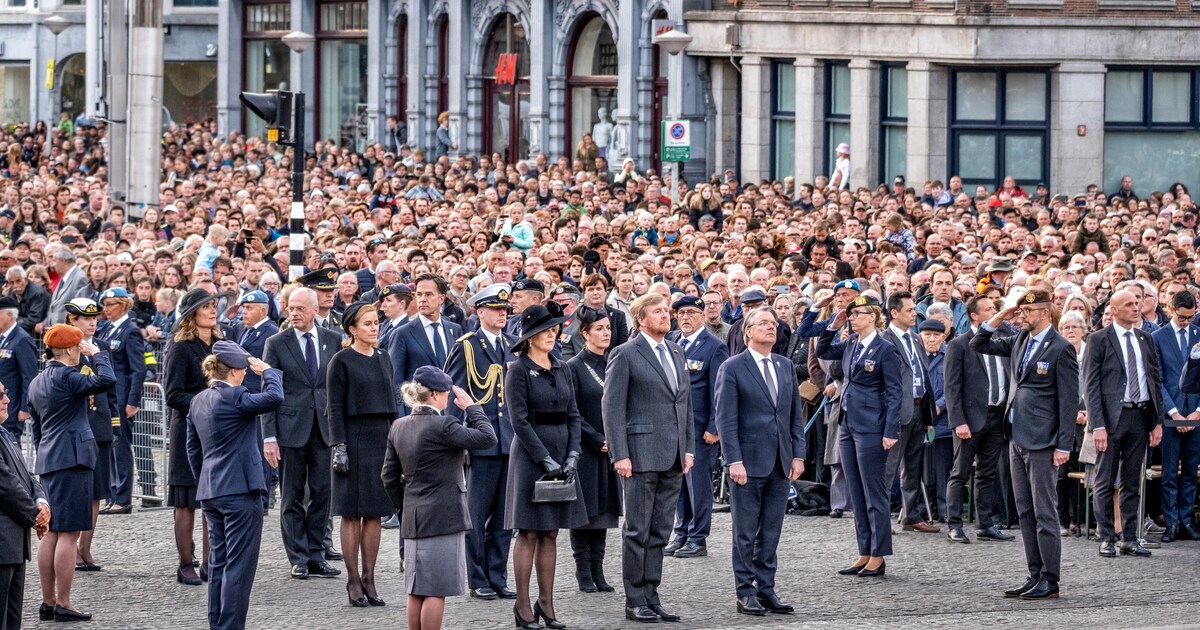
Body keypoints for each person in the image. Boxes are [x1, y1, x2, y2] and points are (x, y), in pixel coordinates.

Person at [971, 289, 1079, 600]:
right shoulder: (1020, 340)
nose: (1022, 316)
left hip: (1043, 440)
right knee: (1025, 511)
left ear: (1045, 312)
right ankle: (1034, 574)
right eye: (1021, 312)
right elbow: (979, 343)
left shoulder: (1061, 348)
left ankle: (1051, 579)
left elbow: (1069, 401)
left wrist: (1063, 445)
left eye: (1027, 312)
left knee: (1045, 512)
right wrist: (1001, 316)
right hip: (1016, 436)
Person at [381, 368, 498, 630]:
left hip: (413, 515)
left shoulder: (398, 426)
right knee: (435, 589)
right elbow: (488, 438)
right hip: (444, 516)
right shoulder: (443, 425)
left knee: (416, 588)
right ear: (435, 394)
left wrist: (405, 505)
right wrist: (472, 408)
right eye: (445, 392)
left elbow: (388, 477)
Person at [601, 293, 693, 624]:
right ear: (641, 318)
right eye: (657, 311)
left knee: (660, 531)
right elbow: (611, 407)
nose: (665, 316)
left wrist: (689, 447)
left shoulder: (677, 351)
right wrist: (619, 453)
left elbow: (685, 405)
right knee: (637, 530)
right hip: (639, 455)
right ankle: (634, 598)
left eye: (666, 311)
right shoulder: (625, 354)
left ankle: (651, 595)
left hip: (673, 456)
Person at [186, 341, 284, 630]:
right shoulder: (236, 395)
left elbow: (193, 451)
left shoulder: (199, 400)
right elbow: (274, 398)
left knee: (218, 562)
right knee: (239, 565)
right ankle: (230, 626)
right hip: (240, 490)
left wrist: (205, 481)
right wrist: (268, 372)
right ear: (237, 372)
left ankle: (217, 623)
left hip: (211, 489)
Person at [715, 306, 805, 615]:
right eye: (764, 323)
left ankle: (767, 588)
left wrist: (798, 454)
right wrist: (733, 460)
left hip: (780, 461)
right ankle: (745, 591)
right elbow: (725, 420)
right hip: (747, 462)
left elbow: (794, 416)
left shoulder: (784, 366)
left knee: (771, 530)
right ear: (748, 331)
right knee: (745, 530)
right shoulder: (733, 367)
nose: (771, 327)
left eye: (774, 323)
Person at [504, 302, 589, 629]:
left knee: (551, 533)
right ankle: (523, 605)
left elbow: (573, 415)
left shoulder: (563, 366)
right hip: (530, 454)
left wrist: (572, 455)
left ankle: (546, 602)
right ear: (530, 337)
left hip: (562, 449)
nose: (553, 335)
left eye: (554, 329)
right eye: (546, 330)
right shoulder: (518, 370)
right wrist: (546, 459)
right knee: (528, 532)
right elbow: (520, 422)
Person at [29, 324, 116, 623]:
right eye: (79, 346)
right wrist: (99, 354)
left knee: (52, 532)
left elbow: (38, 429)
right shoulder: (68, 376)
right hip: (73, 458)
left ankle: (48, 601)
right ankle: (63, 602)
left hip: (50, 457)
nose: (82, 350)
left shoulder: (38, 380)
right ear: (69, 350)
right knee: (69, 533)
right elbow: (107, 380)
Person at [816, 295, 902, 579]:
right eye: (851, 313)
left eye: (858, 313)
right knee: (855, 490)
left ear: (874, 316)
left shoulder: (885, 348)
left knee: (873, 491)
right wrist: (831, 325)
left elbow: (894, 392)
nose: (852, 317)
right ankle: (864, 550)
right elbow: (826, 351)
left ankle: (878, 554)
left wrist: (890, 430)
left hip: (872, 426)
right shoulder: (852, 343)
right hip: (848, 424)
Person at [261, 287, 344, 577]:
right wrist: (269, 436)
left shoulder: (333, 340)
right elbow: (269, 391)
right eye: (290, 308)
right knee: (292, 495)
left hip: (323, 428)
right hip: (289, 430)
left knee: (323, 493)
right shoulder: (276, 343)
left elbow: (336, 387)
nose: (293, 313)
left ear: (313, 310)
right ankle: (297, 557)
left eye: (299, 308)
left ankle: (316, 554)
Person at [443, 283, 517, 600]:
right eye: (496, 309)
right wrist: (453, 440)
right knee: (475, 514)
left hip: (508, 441)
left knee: (504, 517)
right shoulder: (467, 347)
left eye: (505, 310)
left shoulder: (513, 346)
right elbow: (454, 396)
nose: (502, 314)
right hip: (480, 442)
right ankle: (477, 578)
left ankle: (497, 576)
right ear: (480, 311)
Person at [325, 302, 399, 607]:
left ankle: (369, 577)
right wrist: (338, 446)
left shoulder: (384, 358)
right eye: (367, 324)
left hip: (381, 438)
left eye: (375, 322)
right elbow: (334, 407)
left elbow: (393, 401)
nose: (374, 327)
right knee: (352, 512)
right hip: (353, 440)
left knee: (375, 512)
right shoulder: (340, 361)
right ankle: (353, 579)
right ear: (352, 329)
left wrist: (397, 441)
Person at [1083, 289, 1163, 558]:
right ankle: (1106, 536)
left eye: (1137, 303)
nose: (1135, 308)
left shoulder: (1146, 339)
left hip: (1140, 416)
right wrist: (1098, 425)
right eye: (1128, 304)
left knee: (1132, 480)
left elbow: (1154, 380)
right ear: (1113, 310)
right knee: (1104, 480)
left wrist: (1157, 421)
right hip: (1111, 419)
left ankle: (1130, 538)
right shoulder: (1098, 340)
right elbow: (1091, 386)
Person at [944, 295, 1013, 543]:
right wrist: (958, 421)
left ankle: (985, 523)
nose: (994, 311)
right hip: (969, 418)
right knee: (960, 472)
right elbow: (951, 387)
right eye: (988, 309)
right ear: (974, 315)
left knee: (987, 473)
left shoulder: (1001, 341)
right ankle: (954, 525)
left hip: (997, 415)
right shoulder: (959, 344)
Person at [164, 288, 221, 585]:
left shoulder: (221, 344)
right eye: (206, 307)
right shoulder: (181, 347)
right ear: (192, 313)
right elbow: (172, 394)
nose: (212, 311)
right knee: (186, 500)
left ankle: (211, 562)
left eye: (214, 305)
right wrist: (207, 402)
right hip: (188, 429)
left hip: (216, 432)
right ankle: (186, 562)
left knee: (211, 496)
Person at [565, 306, 623, 593]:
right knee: (584, 511)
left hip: (611, 447)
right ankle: (583, 570)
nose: (605, 333)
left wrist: (614, 438)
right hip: (586, 449)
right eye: (599, 329)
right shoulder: (574, 366)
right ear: (585, 333)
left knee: (603, 511)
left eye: (608, 328)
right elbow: (571, 410)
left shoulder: (614, 361)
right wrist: (596, 438)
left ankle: (599, 569)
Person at [665, 296, 728, 559]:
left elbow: (719, 391)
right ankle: (682, 531)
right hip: (675, 427)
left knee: (698, 484)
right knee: (679, 482)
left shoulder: (714, 347)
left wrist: (715, 427)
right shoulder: (672, 342)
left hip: (701, 427)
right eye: (680, 313)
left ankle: (698, 536)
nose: (685, 317)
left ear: (702, 315)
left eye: (691, 312)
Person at [63, 298, 119, 572]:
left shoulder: (103, 348)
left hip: (100, 426)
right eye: (86, 318)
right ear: (72, 319)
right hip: (76, 425)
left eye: (95, 317)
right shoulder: (63, 348)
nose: (92, 322)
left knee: (96, 492)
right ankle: (71, 547)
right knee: (77, 491)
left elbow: (111, 390)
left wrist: (115, 425)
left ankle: (86, 548)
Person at [881, 291, 939, 533]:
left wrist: (926, 412)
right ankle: (881, 517)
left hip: (918, 408)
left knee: (913, 466)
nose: (914, 313)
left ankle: (911, 514)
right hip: (896, 412)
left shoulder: (915, 339)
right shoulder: (883, 339)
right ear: (894, 313)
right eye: (909, 310)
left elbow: (921, 374)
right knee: (888, 468)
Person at [97, 287, 153, 513]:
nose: (106, 309)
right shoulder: (108, 329)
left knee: (121, 447)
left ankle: (123, 497)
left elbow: (137, 370)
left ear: (123, 305)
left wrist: (133, 401)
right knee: (110, 446)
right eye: (105, 304)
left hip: (121, 397)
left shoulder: (130, 331)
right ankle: (112, 494)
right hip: (109, 396)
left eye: (110, 304)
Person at [1151, 290, 1200, 543]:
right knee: (1169, 473)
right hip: (1171, 414)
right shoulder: (1158, 337)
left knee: (1191, 472)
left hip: (1195, 412)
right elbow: (1158, 380)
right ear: (1171, 309)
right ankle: (1170, 523)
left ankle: (1186, 521)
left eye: (1191, 318)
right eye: (1183, 317)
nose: (1187, 322)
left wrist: (1197, 411)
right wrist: (1174, 413)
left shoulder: (1198, 334)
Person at [0, 393, 50, 629]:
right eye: (1, 395)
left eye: (6, 394)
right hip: (3, 542)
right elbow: (6, 485)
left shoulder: (6, 434)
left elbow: (27, 477)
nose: (7, 400)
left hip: (15, 544)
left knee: (12, 618)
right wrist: (35, 516)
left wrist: (41, 502)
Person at [390, 273, 463, 415]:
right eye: (419, 294)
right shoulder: (402, 333)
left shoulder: (454, 329)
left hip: (452, 416)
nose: (423, 299)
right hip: (418, 416)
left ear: (442, 298)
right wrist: (401, 419)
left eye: (429, 294)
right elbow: (396, 382)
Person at [0, 296, 37, 447]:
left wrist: (25, 407)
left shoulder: (22, 339)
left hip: (12, 406)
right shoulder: (3, 338)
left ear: (9, 315)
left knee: (11, 448)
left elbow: (29, 376)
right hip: (2, 404)